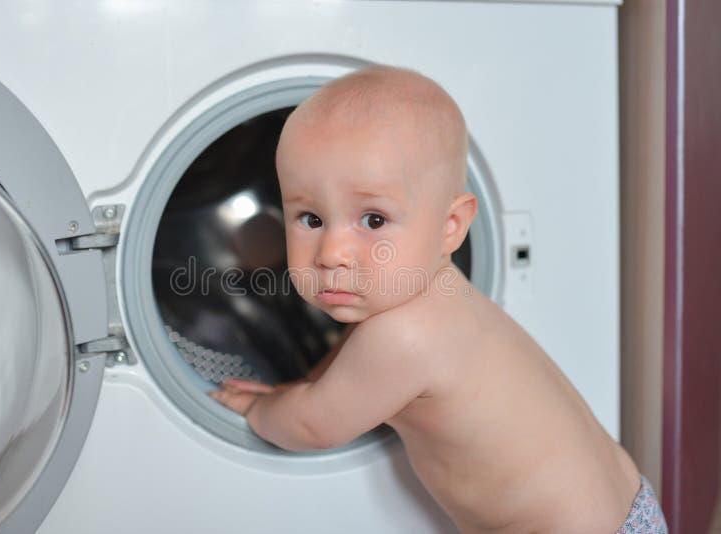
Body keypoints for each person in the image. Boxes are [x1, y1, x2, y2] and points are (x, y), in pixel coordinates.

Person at [209, 66, 667, 533]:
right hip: (627, 507)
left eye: (373, 220)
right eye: (310, 219)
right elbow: (352, 362)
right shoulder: (436, 293)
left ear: (451, 227)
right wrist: (303, 389)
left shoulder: (406, 333)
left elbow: (314, 428)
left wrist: (260, 411)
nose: (331, 253)